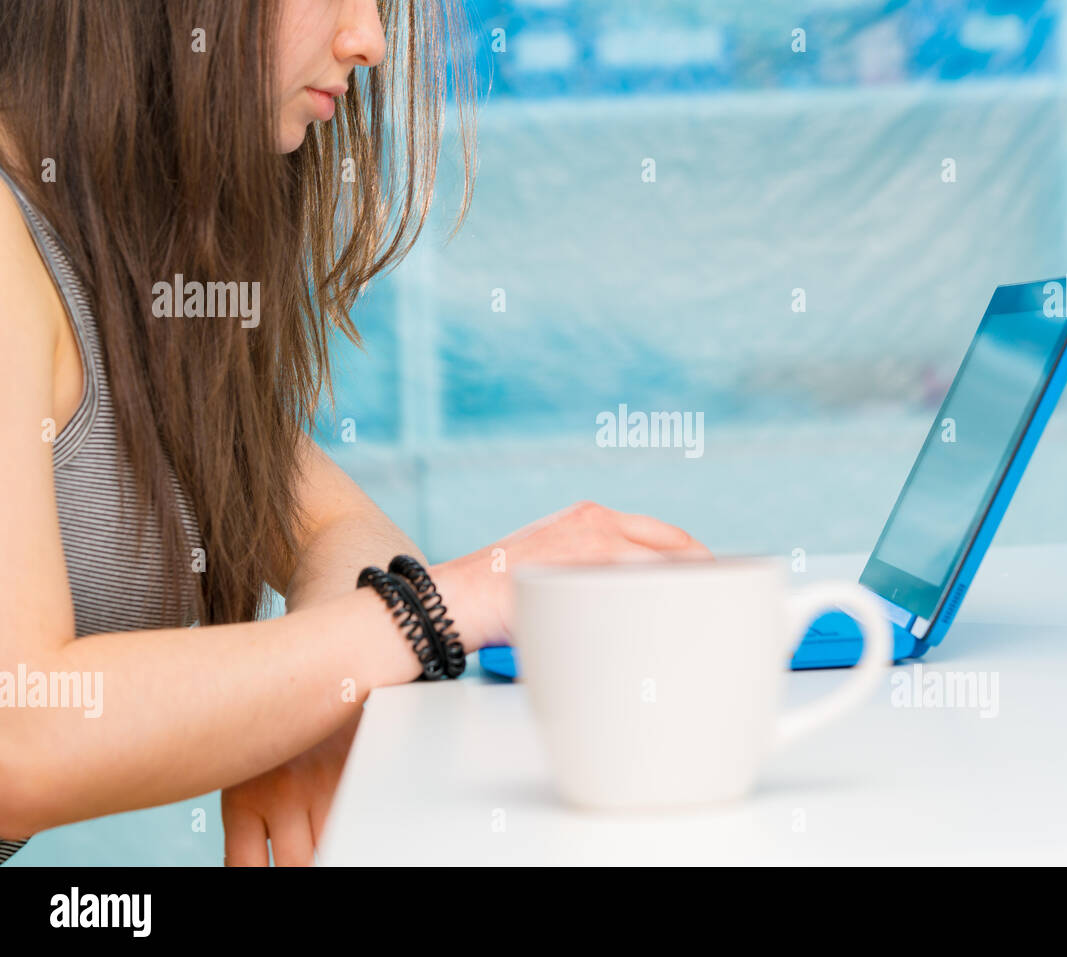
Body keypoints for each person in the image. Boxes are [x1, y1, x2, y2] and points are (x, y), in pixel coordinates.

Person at [0, 0, 708, 866]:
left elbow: (338, 530)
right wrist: (435, 611)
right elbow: (17, 738)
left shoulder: (107, 255)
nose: (367, 39)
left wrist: (302, 703)